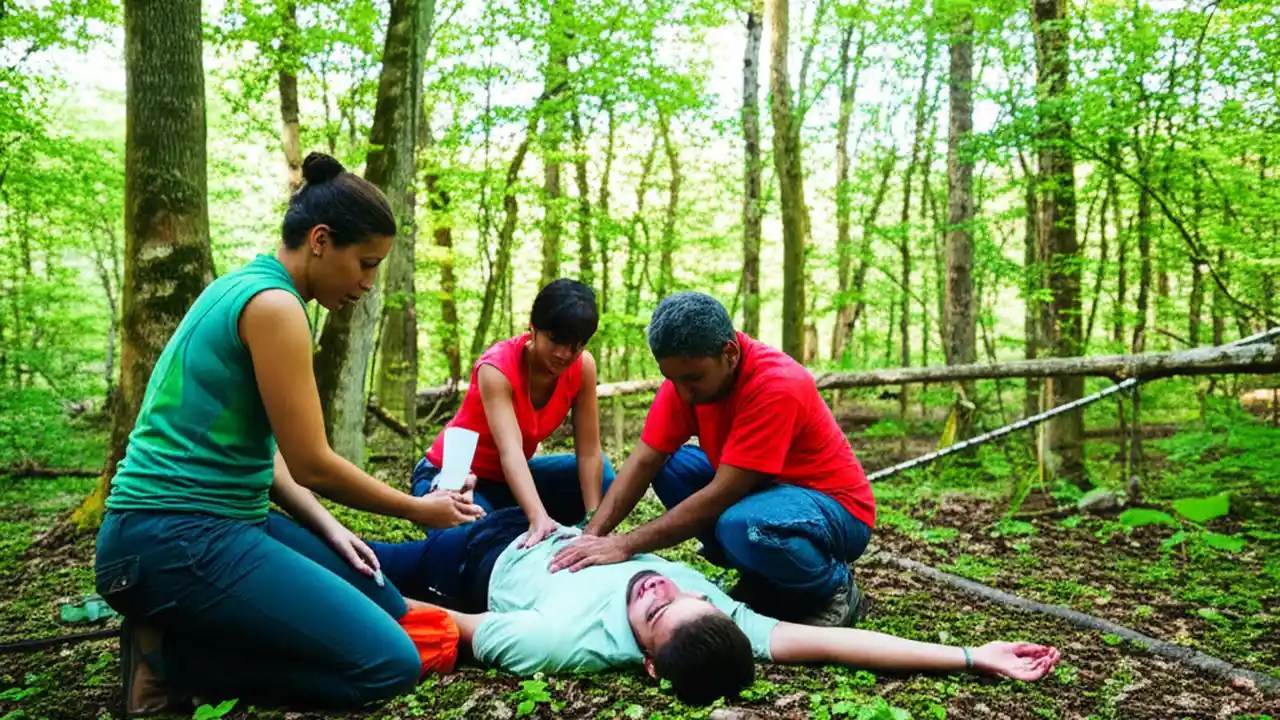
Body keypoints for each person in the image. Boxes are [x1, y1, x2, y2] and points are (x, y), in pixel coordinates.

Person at [94, 152, 484, 715]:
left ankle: (186, 637)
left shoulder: (246, 286)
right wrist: (419, 509)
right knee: (390, 663)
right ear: (321, 239)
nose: (369, 284)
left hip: (219, 523)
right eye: (366, 264)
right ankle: (172, 658)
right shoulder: (274, 307)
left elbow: (270, 459)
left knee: (383, 596)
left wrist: (329, 528)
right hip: (169, 538)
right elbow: (313, 464)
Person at [373, 508, 1061, 706]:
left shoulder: (560, 643)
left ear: (646, 661)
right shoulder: (721, 618)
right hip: (546, 521)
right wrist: (973, 656)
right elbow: (837, 643)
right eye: (681, 593)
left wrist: (362, 588)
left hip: (469, 562)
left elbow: (457, 627)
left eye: (653, 610)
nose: (658, 587)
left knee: (354, 554)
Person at [551, 292, 875, 626]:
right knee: (672, 467)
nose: (682, 394)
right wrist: (592, 536)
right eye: (671, 379)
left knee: (744, 526)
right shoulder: (684, 381)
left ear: (730, 354)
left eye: (692, 379)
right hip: (765, 496)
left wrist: (625, 545)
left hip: (835, 510)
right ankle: (763, 577)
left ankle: (833, 588)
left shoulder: (777, 385)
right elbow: (645, 460)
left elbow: (721, 495)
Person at [411, 278, 614, 547]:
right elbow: (511, 451)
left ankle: (517, 521)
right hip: (456, 474)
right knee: (471, 539)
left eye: (576, 345)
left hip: (509, 480)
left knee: (605, 479)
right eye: (555, 340)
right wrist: (538, 517)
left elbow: (589, 452)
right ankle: (503, 522)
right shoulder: (497, 368)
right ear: (533, 328)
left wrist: (594, 521)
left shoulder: (583, 367)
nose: (565, 354)